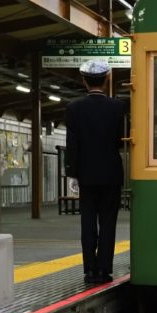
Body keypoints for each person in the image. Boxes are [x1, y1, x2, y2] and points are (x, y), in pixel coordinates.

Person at [65, 59, 127, 285]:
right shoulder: (118, 107)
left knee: (88, 221)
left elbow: (72, 144)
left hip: (86, 174)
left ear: (84, 80)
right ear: (107, 77)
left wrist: (72, 173)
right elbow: (121, 141)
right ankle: (105, 270)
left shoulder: (73, 108)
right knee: (108, 221)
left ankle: (90, 270)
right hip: (111, 172)